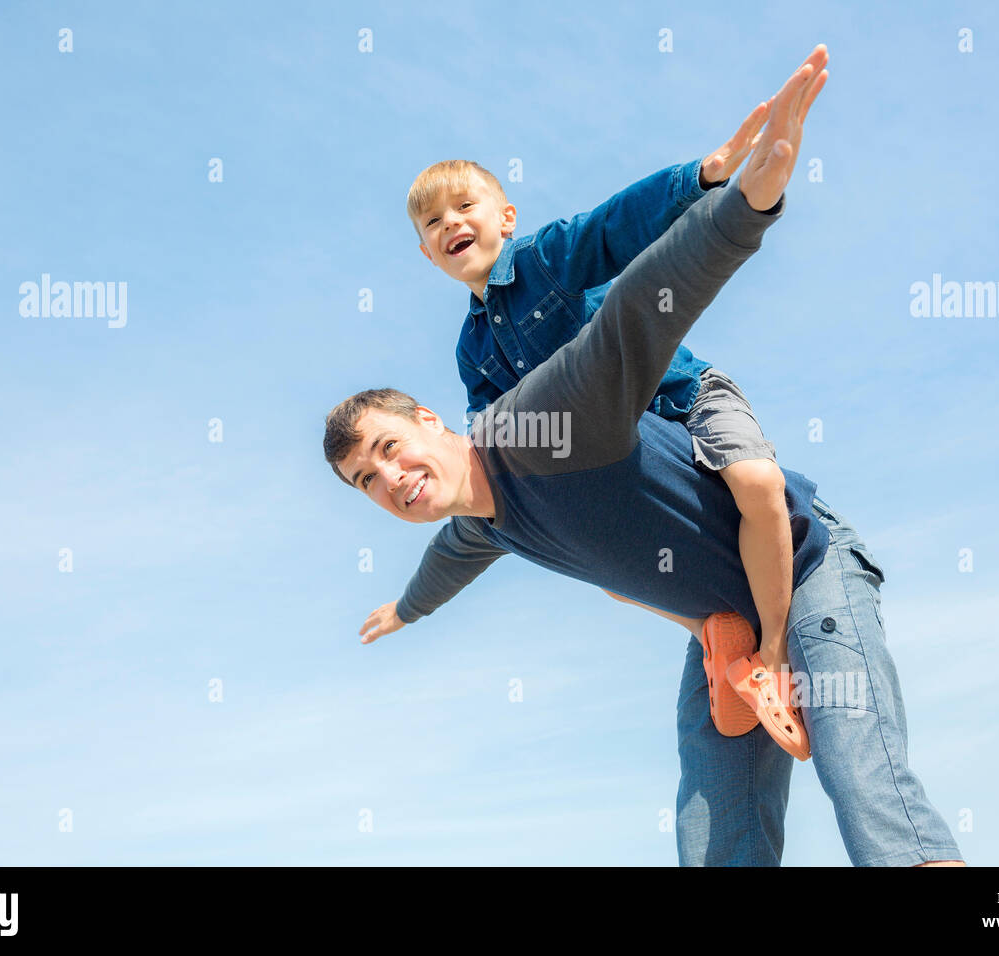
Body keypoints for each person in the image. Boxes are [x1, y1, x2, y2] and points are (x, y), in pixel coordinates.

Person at [325, 54, 963, 867]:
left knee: (869, 796)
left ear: (505, 214)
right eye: (364, 483)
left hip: (759, 503)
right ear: (425, 255)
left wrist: (723, 187)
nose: (388, 481)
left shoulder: (548, 277)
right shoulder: (481, 372)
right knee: (713, 840)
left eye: (389, 451)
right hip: (707, 584)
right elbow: (462, 535)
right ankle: (729, 635)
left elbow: (628, 255)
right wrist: (409, 608)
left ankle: (764, 640)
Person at [393, 52, 835, 691]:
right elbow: (490, 437)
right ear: (427, 254)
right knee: (612, 576)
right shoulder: (471, 349)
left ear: (505, 217)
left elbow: (610, 227)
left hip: (681, 399)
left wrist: (702, 177)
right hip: (618, 456)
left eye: (464, 207)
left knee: (756, 480)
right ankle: (712, 632)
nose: (450, 224)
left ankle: (771, 652)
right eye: (433, 223)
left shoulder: (545, 259)